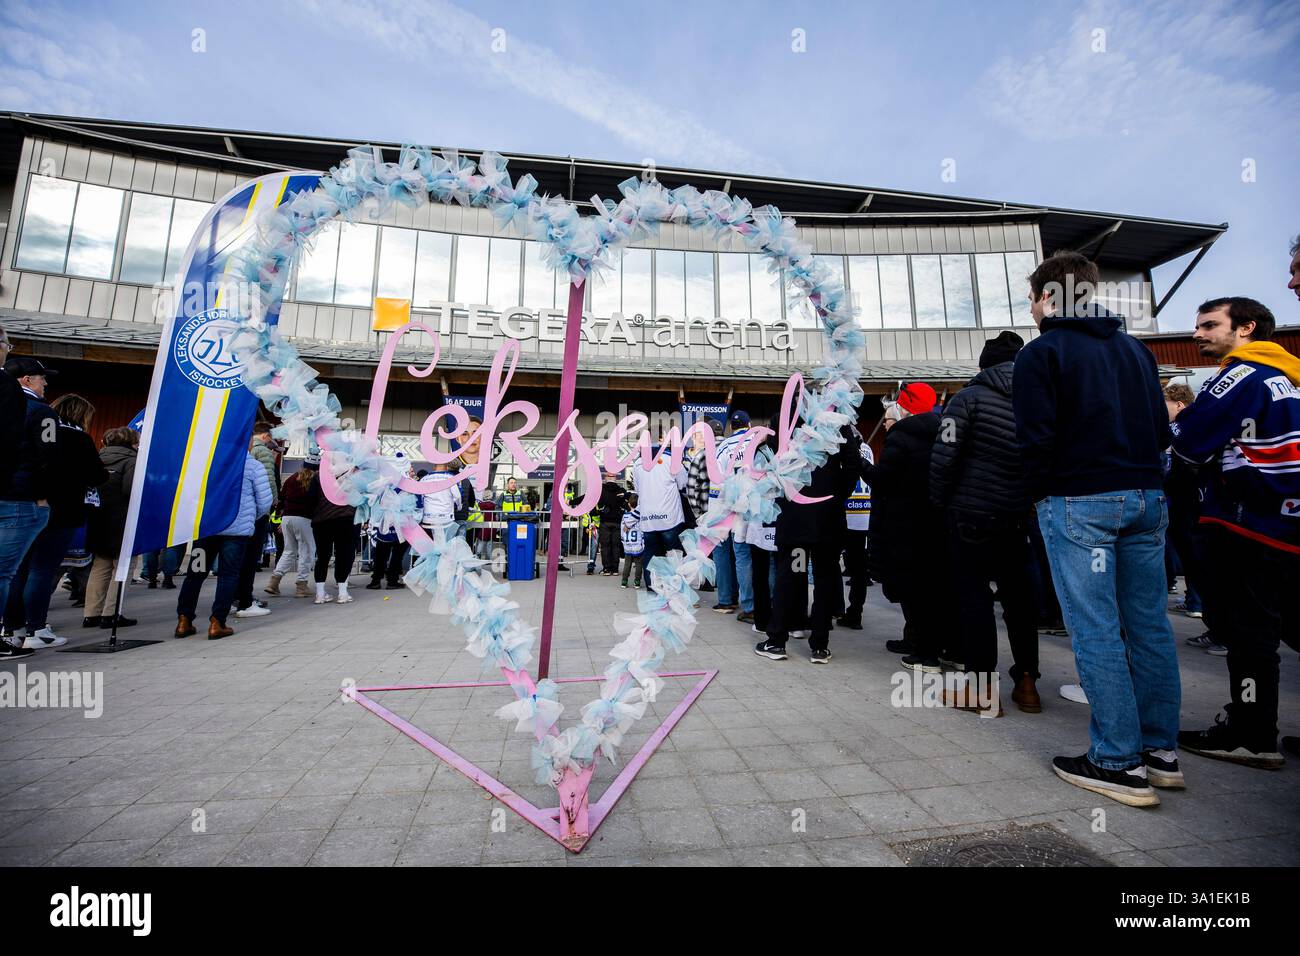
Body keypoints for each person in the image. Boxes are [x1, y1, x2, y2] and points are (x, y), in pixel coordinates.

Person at [1013, 249, 1178, 808]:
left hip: (1080, 499)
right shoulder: (1136, 351)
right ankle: (1160, 752)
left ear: (1047, 297)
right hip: (1146, 496)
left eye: (1032, 297)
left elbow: (1033, 439)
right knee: (1150, 626)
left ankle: (1116, 761)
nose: (1030, 308)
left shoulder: (1043, 353)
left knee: (1096, 628)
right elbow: (1161, 431)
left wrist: (1037, 494)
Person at [1172, 297, 1299, 770]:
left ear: (1246, 328)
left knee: (1248, 635)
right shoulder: (1288, 373)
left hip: (1251, 524)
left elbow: (1187, 442)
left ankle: (1251, 733)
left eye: (1209, 325)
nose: (1197, 335)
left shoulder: (1242, 374)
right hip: (1287, 524)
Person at [930, 331, 1040, 717]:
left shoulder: (965, 400)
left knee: (973, 599)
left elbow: (944, 456)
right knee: (1018, 601)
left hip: (970, 515)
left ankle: (981, 687)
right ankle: (1027, 681)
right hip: (1017, 516)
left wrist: (940, 502)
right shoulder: (1039, 399)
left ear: (983, 364)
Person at [3, 392, 109, 647]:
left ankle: (12, 628)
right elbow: (96, 475)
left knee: (18, 571)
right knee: (42, 570)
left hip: (27, 504)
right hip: (61, 511)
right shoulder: (78, 437)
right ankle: (35, 628)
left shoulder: (29, 426)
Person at [755, 419, 859, 664]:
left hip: (797, 519)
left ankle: (778, 639)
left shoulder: (786, 423)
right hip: (827, 519)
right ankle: (819, 646)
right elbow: (852, 466)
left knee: (792, 576)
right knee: (824, 579)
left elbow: (771, 466)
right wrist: (836, 494)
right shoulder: (837, 424)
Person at [865, 383, 953, 670]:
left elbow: (883, 479)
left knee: (915, 591)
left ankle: (924, 652)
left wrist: (857, 463)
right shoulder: (942, 431)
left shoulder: (901, 437)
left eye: (889, 419)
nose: (888, 424)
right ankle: (935, 645)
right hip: (937, 521)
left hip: (905, 524)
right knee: (934, 588)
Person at [175, 446, 272, 639]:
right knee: (228, 575)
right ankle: (217, 621)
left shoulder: (204, 464)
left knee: (195, 574)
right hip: (235, 531)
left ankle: (184, 619)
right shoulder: (253, 466)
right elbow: (264, 501)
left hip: (205, 530)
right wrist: (250, 518)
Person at [0, 350, 57, 660]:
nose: (45, 383)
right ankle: (27, 629)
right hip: (21, 498)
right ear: (25, 380)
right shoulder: (40, 411)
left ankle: (13, 629)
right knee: (12, 571)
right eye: (41, 378)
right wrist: (42, 494)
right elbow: (47, 457)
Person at [83, 427, 138, 628]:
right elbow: (131, 490)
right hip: (122, 520)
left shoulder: (97, 459)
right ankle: (112, 613)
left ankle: (91, 613)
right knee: (123, 566)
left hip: (98, 518)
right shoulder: (132, 461)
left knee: (100, 566)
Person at [710, 411, 757, 618]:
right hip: (753, 507)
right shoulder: (756, 443)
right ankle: (753, 605)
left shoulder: (724, 447)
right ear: (749, 425)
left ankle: (730, 601)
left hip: (727, 506)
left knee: (727, 555)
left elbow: (716, 482)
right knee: (745, 555)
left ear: (731, 428)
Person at [233, 422, 281, 618]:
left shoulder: (234, 456)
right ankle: (245, 599)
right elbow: (267, 481)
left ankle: (231, 598)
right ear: (266, 436)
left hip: (233, 512)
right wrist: (273, 502)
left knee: (234, 560)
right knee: (250, 558)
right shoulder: (263, 455)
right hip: (254, 514)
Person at [836, 409, 875, 631]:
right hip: (865, 512)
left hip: (847, 512)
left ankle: (840, 607)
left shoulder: (840, 447)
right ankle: (855, 611)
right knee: (859, 568)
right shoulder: (867, 448)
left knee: (835, 562)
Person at [632, 437, 688, 591]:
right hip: (670, 517)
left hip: (648, 518)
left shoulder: (637, 463)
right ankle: (675, 587)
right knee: (674, 555)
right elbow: (683, 483)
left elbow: (637, 489)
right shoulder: (671, 459)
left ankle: (652, 586)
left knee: (650, 554)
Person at [265, 455, 319, 597]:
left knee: (288, 551)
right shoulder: (316, 480)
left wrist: (281, 519)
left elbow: (281, 499)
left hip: (287, 517)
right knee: (307, 551)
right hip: (305, 519)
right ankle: (301, 586)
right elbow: (317, 501)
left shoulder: (292, 478)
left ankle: (274, 582)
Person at [311, 463, 358, 605]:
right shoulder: (352, 473)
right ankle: (342, 593)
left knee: (322, 556)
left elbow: (311, 498)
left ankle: (320, 594)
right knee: (343, 555)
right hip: (345, 518)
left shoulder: (318, 475)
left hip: (321, 520)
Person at [368, 455, 417, 589]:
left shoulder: (385, 481)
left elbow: (375, 499)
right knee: (397, 554)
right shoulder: (409, 483)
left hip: (385, 522)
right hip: (402, 523)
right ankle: (392, 580)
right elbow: (416, 502)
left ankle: (376, 580)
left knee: (381, 553)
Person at [686, 419, 723, 592]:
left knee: (705, 549)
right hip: (728, 513)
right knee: (729, 553)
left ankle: (708, 582)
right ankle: (727, 588)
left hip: (706, 512)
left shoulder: (701, 455)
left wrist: (697, 514)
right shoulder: (731, 450)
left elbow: (691, 487)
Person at [619, 493, 643, 588]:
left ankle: (624, 581)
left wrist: (623, 540)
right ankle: (637, 581)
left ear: (629, 504)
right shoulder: (640, 516)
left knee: (627, 563)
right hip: (638, 543)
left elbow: (622, 529)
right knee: (639, 564)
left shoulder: (625, 516)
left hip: (628, 544)